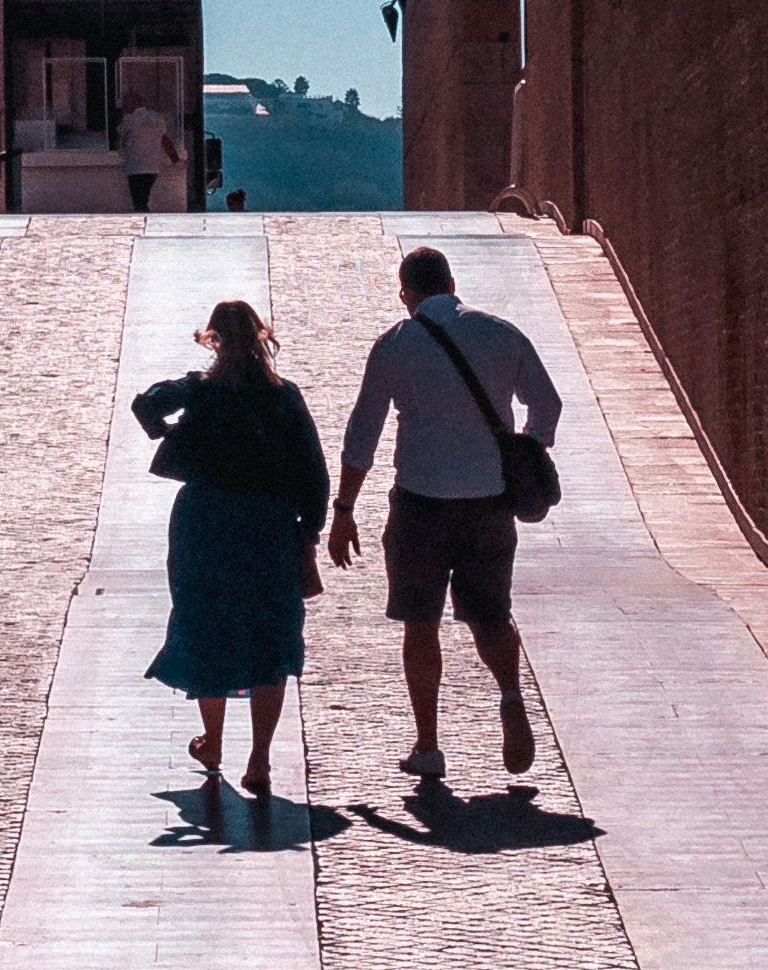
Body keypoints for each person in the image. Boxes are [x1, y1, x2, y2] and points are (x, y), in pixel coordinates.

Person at [328, 245, 560, 786]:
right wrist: (531, 446)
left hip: (420, 505)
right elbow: (546, 403)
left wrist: (344, 510)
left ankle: (429, 744)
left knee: (421, 623)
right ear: (452, 284)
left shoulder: (395, 345)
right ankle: (508, 692)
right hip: (489, 503)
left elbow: (363, 432)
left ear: (405, 293)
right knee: (490, 615)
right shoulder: (500, 333)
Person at [133, 300, 330, 793]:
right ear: (262, 339)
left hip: (205, 520)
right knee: (272, 633)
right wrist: (310, 530)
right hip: (268, 524)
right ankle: (260, 758)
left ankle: (214, 740)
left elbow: (146, 402)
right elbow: (314, 471)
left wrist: (166, 431)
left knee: (205, 623)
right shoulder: (285, 398)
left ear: (213, 340)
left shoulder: (198, 391)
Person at [116, 93, 183, 212]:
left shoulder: (129, 119)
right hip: (152, 165)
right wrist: (175, 158)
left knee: (138, 199)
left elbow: (120, 135)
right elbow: (164, 139)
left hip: (135, 165)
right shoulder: (157, 117)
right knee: (144, 196)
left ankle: (143, 219)